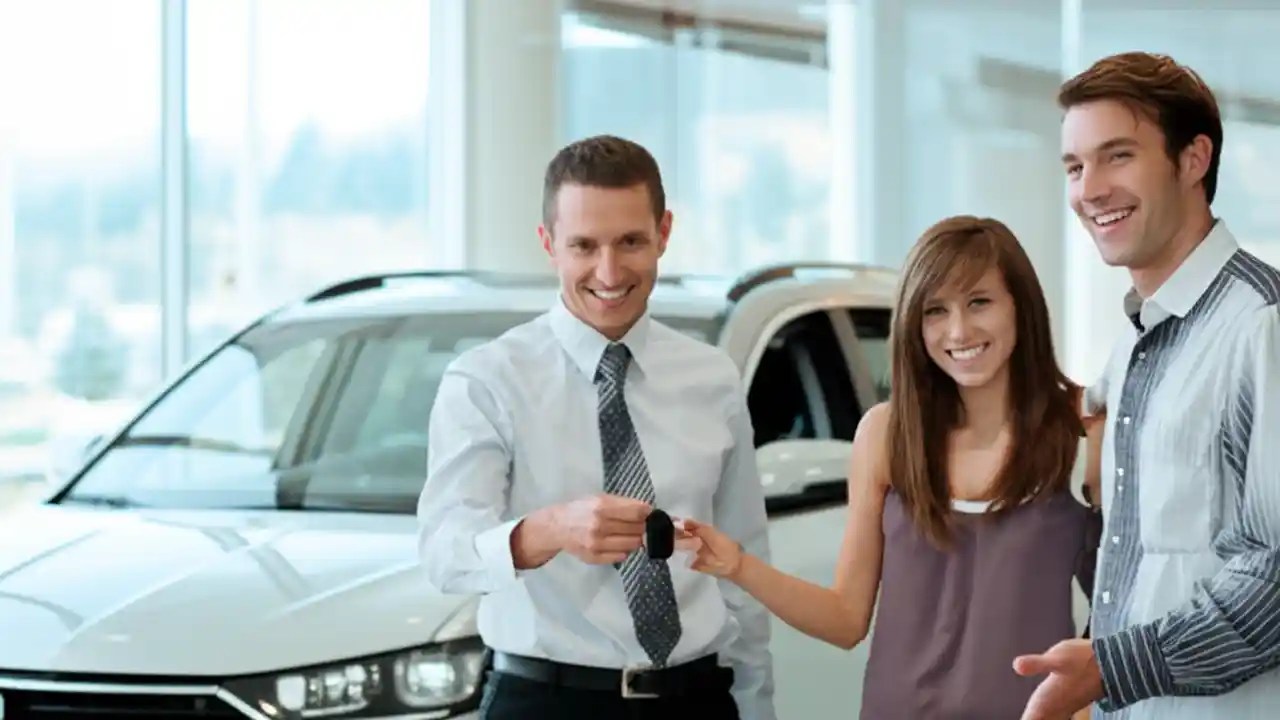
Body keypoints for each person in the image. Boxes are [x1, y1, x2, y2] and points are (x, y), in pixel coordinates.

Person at [681, 215, 1104, 718]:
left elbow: (1120, 615)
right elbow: (846, 618)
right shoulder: (885, 434)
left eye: (979, 302)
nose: (959, 330)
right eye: (935, 310)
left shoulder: (1084, 431)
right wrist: (738, 566)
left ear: (1021, 306)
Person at [415, 134, 775, 720]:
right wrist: (547, 530)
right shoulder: (486, 381)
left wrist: (756, 707)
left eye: (631, 241)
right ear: (548, 243)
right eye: (584, 245)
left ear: (663, 233)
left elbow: (744, 566)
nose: (609, 272)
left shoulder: (713, 378)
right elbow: (445, 553)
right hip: (545, 703)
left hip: (697, 700)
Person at [1013, 51, 1280, 720]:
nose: (1090, 190)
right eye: (1075, 167)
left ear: (1193, 160)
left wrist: (1110, 668)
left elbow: (1274, 576)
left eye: (1118, 156)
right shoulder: (1136, 336)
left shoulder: (1263, 326)